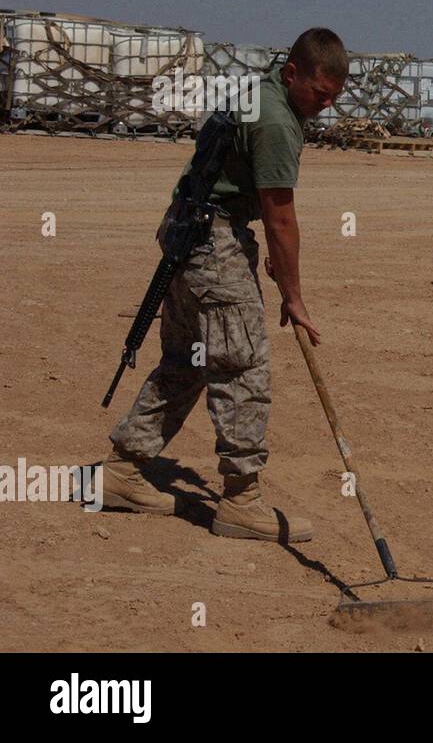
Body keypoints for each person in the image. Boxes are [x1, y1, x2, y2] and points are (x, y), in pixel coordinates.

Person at [98, 28, 347, 543]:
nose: (324, 106)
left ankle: (120, 472)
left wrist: (275, 261)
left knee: (186, 362)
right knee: (242, 366)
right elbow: (281, 219)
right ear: (293, 72)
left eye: (333, 98)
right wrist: (294, 298)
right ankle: (240, 499)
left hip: (191, 231)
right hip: (213, 243)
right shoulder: (277, 120)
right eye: (318, 94)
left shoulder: (262, 94)